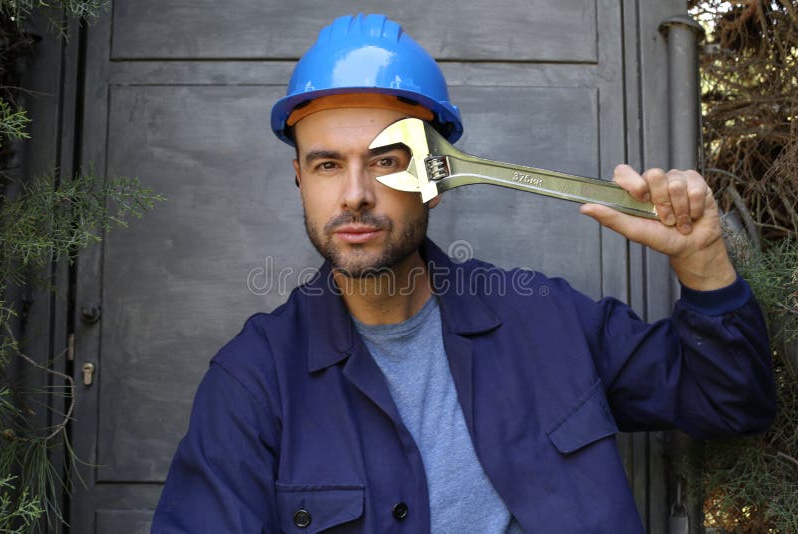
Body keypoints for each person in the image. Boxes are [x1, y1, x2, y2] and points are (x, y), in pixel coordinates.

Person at [152, 13, 775, 533]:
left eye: (386, 161)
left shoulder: (549, 320)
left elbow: (732, 402)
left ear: (434, 179)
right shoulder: (251, 386)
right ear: (299, 180)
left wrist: (703, 264)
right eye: (327, 165)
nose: (355, 194)